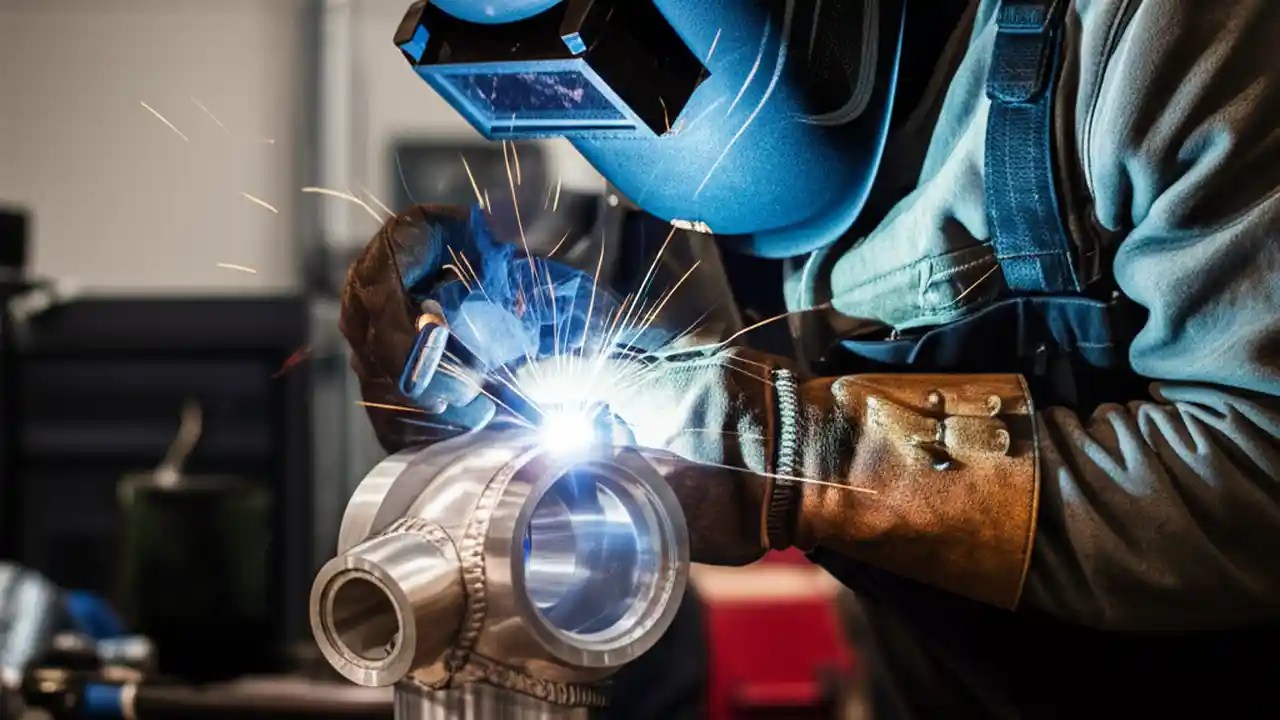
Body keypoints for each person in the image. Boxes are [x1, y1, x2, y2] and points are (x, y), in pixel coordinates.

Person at [343, 0, 1280, 716]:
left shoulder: (1153, 40)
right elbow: (685, 386)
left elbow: (1258, 480)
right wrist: (499, 363)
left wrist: (794, 457)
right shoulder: (678, 93)